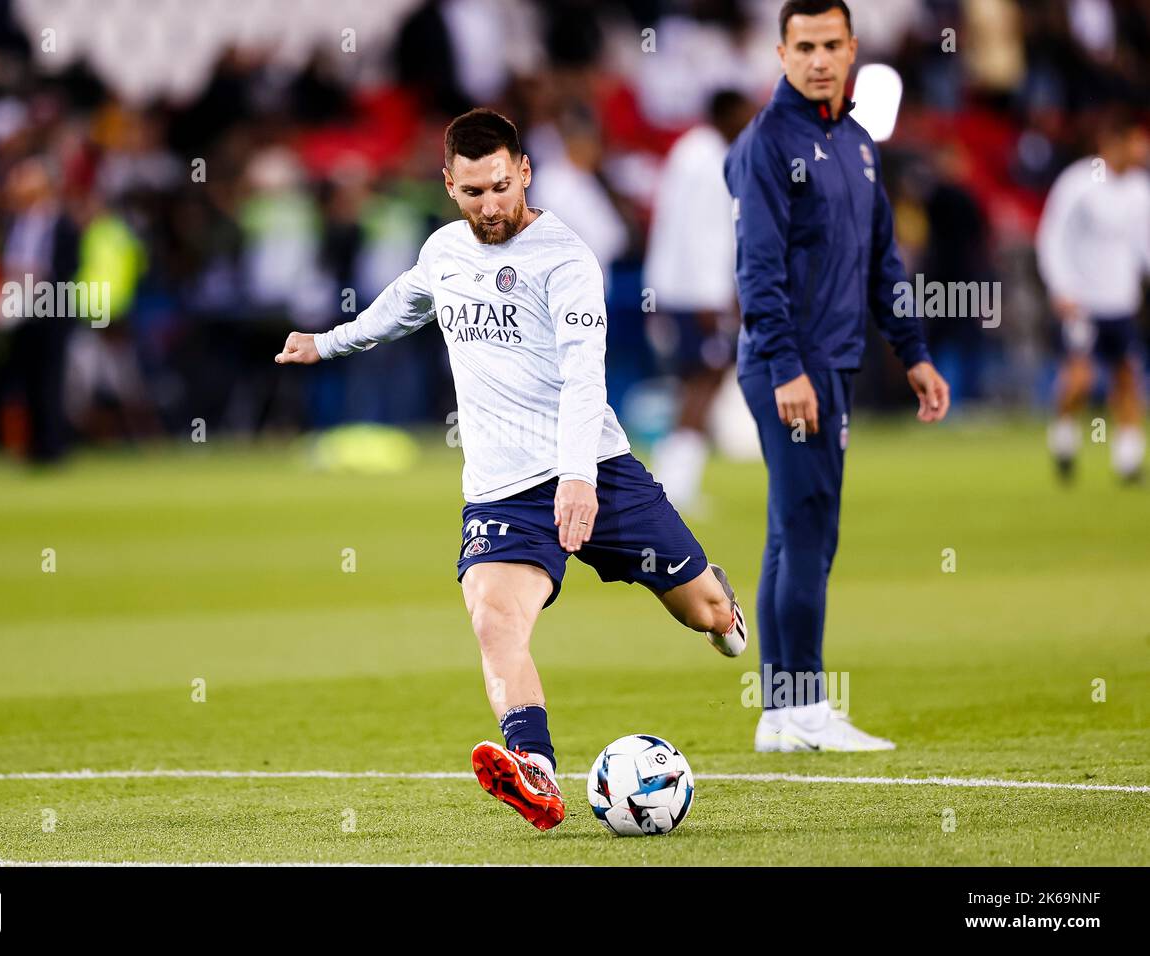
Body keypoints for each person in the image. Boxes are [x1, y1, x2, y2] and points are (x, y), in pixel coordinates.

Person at [276, 108, 747, 831]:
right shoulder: (443, 252)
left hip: (596, 466)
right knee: (495, 622)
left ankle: (721, 604)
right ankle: (535, 768)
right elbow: (399, 307)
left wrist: (579, 478)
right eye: (472, 193)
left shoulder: (565, 259)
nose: (489, 206)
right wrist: (325, 343)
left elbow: (585, 373)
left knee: (704, 614)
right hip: (501, 491)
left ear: (523, 171)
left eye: (500, 186)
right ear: (448, 185)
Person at [724, 0, 950, 752]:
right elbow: (757, 270)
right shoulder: (768, 142)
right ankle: (806, 706)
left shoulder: (855, 142)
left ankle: (782, 716)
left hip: (832, 362)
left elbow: (883, 260)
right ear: (780, 52)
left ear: (852, 49)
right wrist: (787, 366)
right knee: (810, 530)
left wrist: (912, 352)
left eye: (831, 45)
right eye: (804, 46)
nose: (819, 59)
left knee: (793, 531)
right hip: (792, 367)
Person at [644, 89, 756, 513]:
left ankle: (674, 484)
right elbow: (704, 235)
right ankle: (673, 488)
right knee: (701, 381)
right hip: (695, 296)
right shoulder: (707, 161)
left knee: (699, 382)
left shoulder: (692, 152)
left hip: (681, 290)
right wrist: (716, 299)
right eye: (745, 114)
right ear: (724, 114)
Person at [1037, 109, 1150, 484]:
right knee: (1081, 378)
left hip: (1121, 300)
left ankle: (1128, 459)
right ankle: (1064, 436)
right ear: (1114, 142)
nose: (1142, 148)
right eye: (1136, 140)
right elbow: (1052, 236)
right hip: (1082, 300)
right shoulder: (1079, 183)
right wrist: (1061, 287)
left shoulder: (1139, 190)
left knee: (1126, 377)